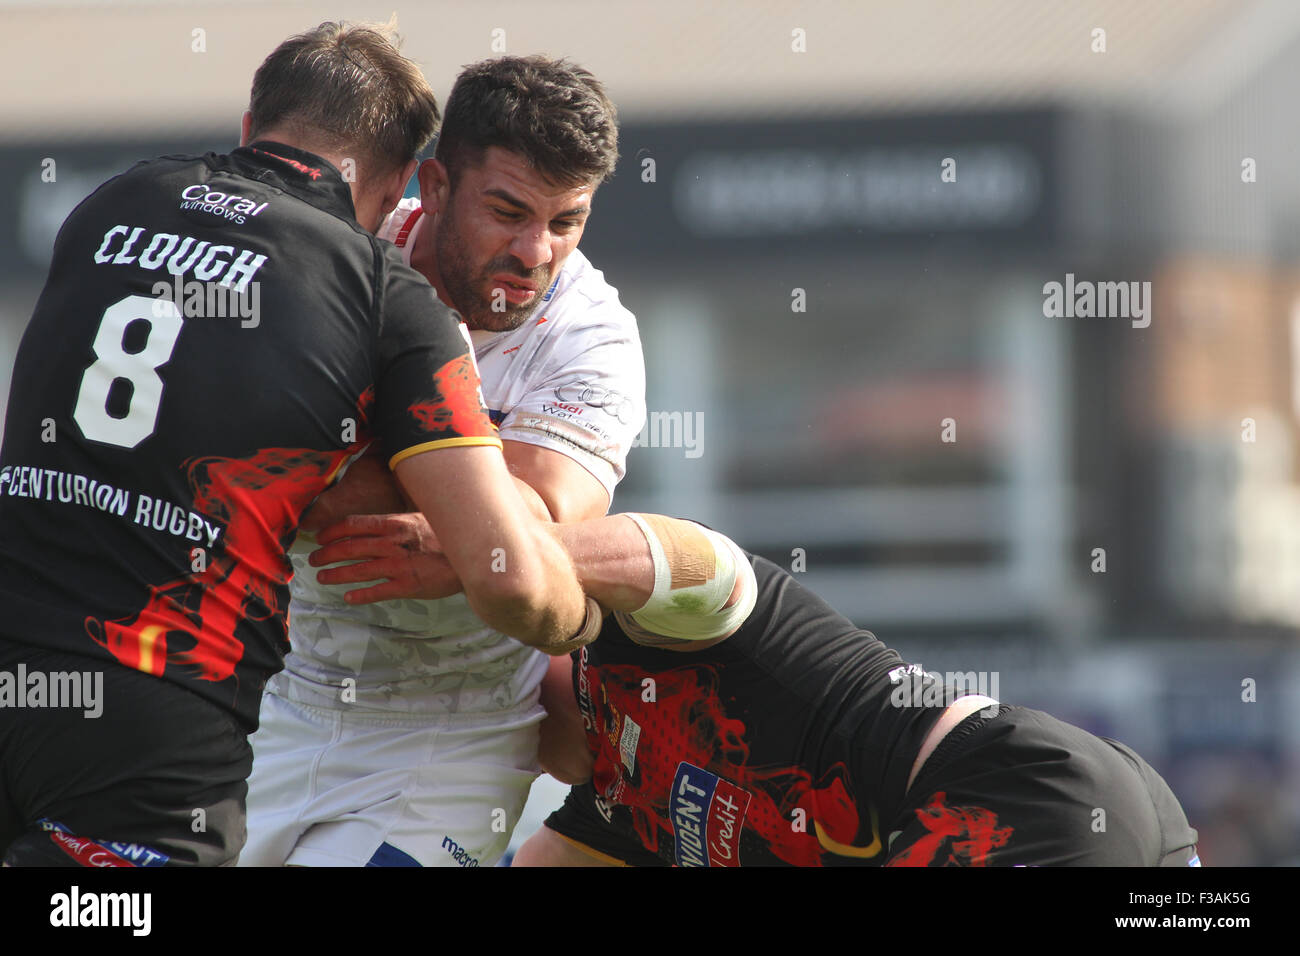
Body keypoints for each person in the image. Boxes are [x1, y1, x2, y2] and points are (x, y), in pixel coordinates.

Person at [0, 22, 588, 868]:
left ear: (250, 125)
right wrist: (591, 616)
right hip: (150, 713)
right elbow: (517, 585)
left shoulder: (110, 203)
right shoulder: (388, 296)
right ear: (394, 185)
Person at [239, 55, 645, 868]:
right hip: (269, 694)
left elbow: (540, 530)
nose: (536, 251)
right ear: (435, 184)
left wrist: (338, 476)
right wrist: (468, 519)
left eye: (567, 221)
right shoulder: (343, 244)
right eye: (508, 210)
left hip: (456, 729)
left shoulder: (595, 338)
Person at [310, 511, 1202, 867]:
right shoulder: (598, 827)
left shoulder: (641, 629)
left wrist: (479, 555)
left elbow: (689, 554)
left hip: (1025, 795)